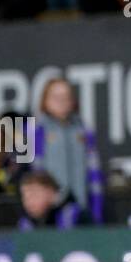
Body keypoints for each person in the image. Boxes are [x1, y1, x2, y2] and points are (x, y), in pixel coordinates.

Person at [33, 77, 104, 224]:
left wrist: (96, 209)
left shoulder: (83, 130)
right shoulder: (37, 131)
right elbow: (37, 173)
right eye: (56, 97)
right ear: (45, 100)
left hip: (82, 209)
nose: (61, 102)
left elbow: (94, 172)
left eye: (66, 97)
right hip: (52, 212)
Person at [18, 170, 83, 230]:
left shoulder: (71, 215)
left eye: (34, 195)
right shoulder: (27, 221)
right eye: (25, 197)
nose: (29, 201)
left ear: (51, 193)